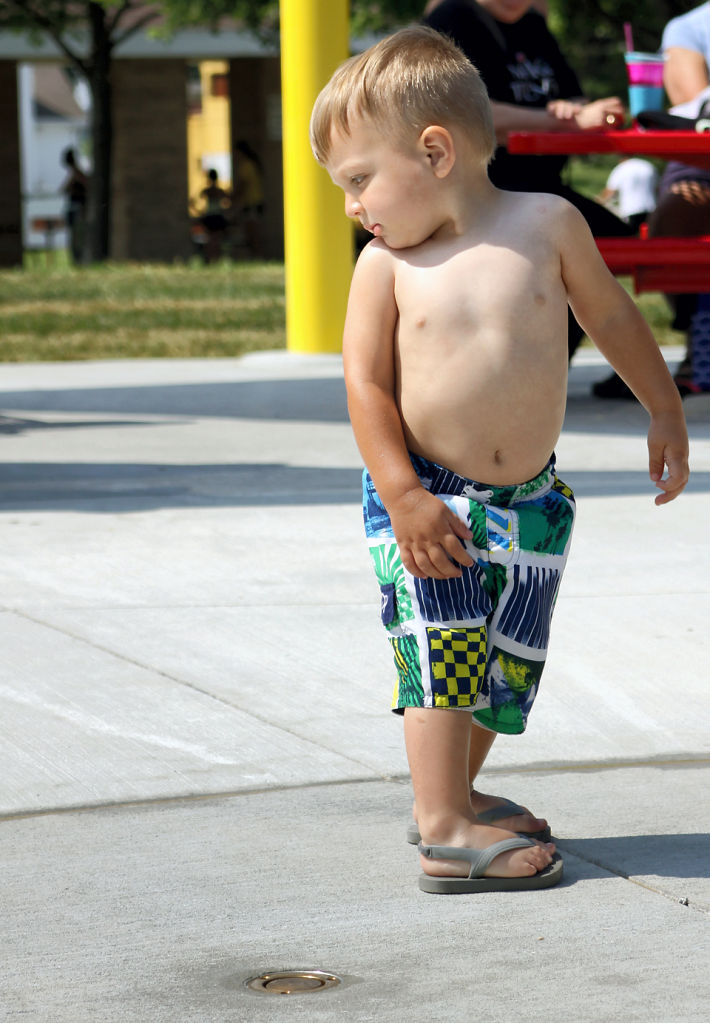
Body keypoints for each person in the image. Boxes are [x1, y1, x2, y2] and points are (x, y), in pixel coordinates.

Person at [310, 27, 689, 894]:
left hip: (532, 498)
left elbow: (614, 319)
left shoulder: (546, 224)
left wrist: (663, 406)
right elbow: (365, 388)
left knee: (504, 661)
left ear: (434, 150)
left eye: (360, 179)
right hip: (427, 499)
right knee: (442, 652)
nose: (352, 206)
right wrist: (401, 494)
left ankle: (455, 791)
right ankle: (445, 831)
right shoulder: (385, 268)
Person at [422, 0, 634, 363]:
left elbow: (572, 98)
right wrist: (559, 120)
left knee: (619, 245)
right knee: (579, 246)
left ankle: (549, 366)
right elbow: (465, 115)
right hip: (484, 188)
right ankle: (527, 365)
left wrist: (575, 110)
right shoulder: (451, 19)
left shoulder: (534, 25)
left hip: (542, 187)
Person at [596, 1, 710, 399]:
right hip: (700, 165)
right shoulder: (690, 27)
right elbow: (696, 110)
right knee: (673, 222)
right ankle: (698, 337)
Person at [597, 156, 658, 232]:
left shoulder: (622, 168)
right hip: (652, 209)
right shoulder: (648, 166)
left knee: (632, 239)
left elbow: (610, 191)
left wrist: (597, 203)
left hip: (631, 210)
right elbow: (657, 189)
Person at [233, 140, 265, 259]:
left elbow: (242, 185)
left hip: (252, 204)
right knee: (253, 232)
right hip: (254, 203)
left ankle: (257, 256)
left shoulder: (246, 166)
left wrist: (232, 198)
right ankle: (256, 256)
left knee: (253, 233)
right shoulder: (251, 164)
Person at [195, 168, 231, 263]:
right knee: (216, 239)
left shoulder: (207, 190)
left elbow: (195, 200)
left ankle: (210, 258)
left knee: (210, 239)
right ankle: (215, 258)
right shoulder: (219, 191)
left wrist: (199, 212)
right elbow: (229, 200)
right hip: (217, 217)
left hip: (210, 217)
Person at [60, 147, 88, 264]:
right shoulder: (75, 172)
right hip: (75, 209)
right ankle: (77, 261)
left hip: (79, 210)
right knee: (75, 238)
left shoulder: (77, 173)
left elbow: (86, 186)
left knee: (78, 238)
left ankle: (79, 261)